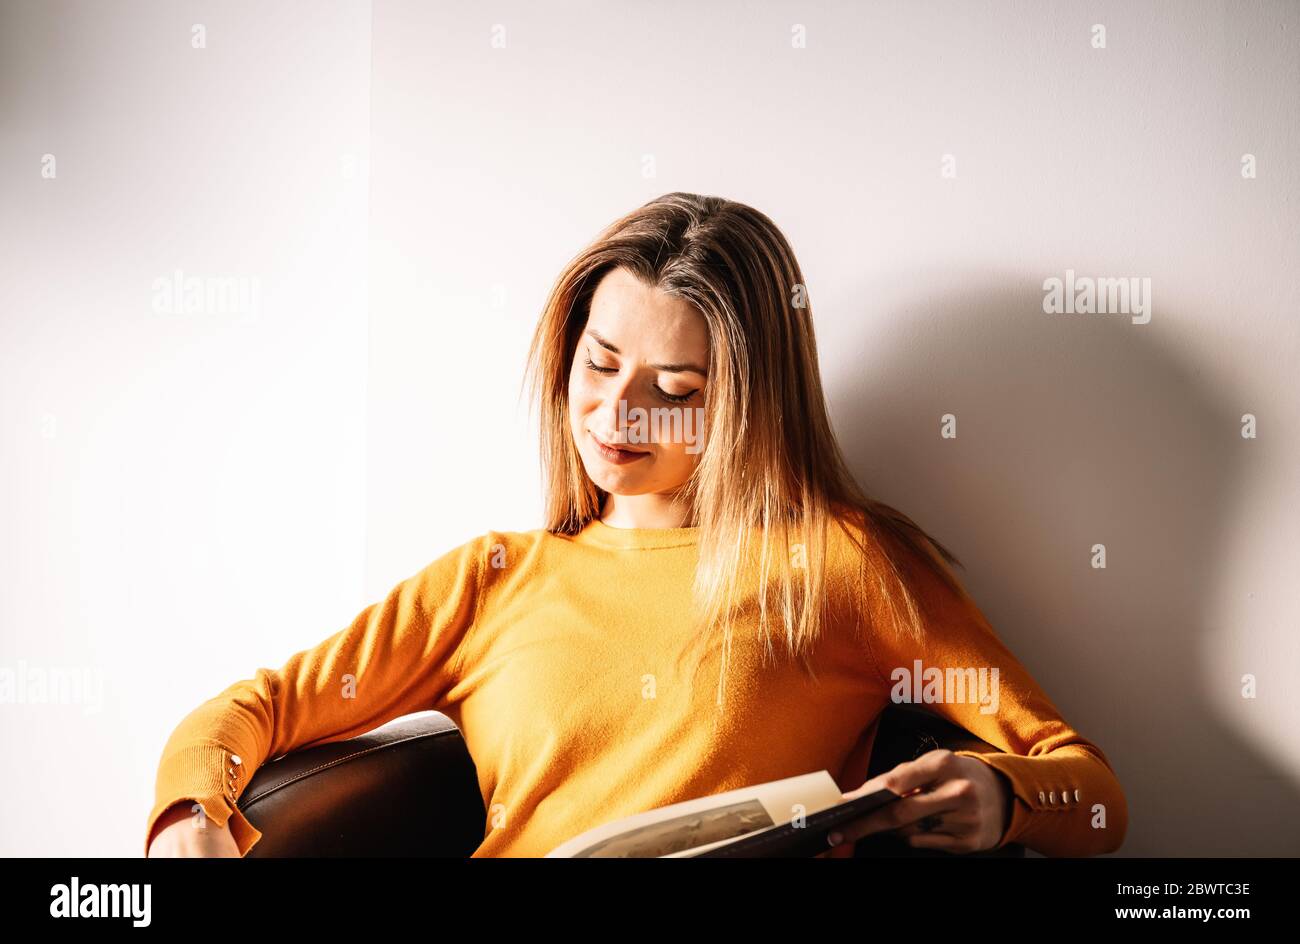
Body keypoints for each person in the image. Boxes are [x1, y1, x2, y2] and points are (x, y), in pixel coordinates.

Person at [146, 192, 1128, 858]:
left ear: (748, 400)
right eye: (601, 362)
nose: (618, 414)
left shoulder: (840, 561)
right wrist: (191, 810)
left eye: (677, 389)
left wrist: (999, 798)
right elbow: (248, 708)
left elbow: (1088, 789)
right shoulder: (495, 578)